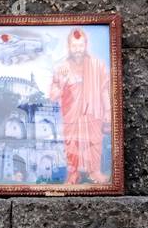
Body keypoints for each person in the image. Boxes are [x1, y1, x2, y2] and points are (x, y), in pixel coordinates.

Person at [48, 28, 112, 184]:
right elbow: (53, 95)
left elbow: (104, 90)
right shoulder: (62, 67)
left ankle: (94, 172)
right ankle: (73, 174)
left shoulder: (98, 66)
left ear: (86, 45)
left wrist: (109, 110)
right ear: (69, 46)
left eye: (80, 46)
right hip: (71, 114)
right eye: (74, 46)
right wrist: (62, 80)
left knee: (95, 141)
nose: (78, 50)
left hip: (93, 112)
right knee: (71, 144)